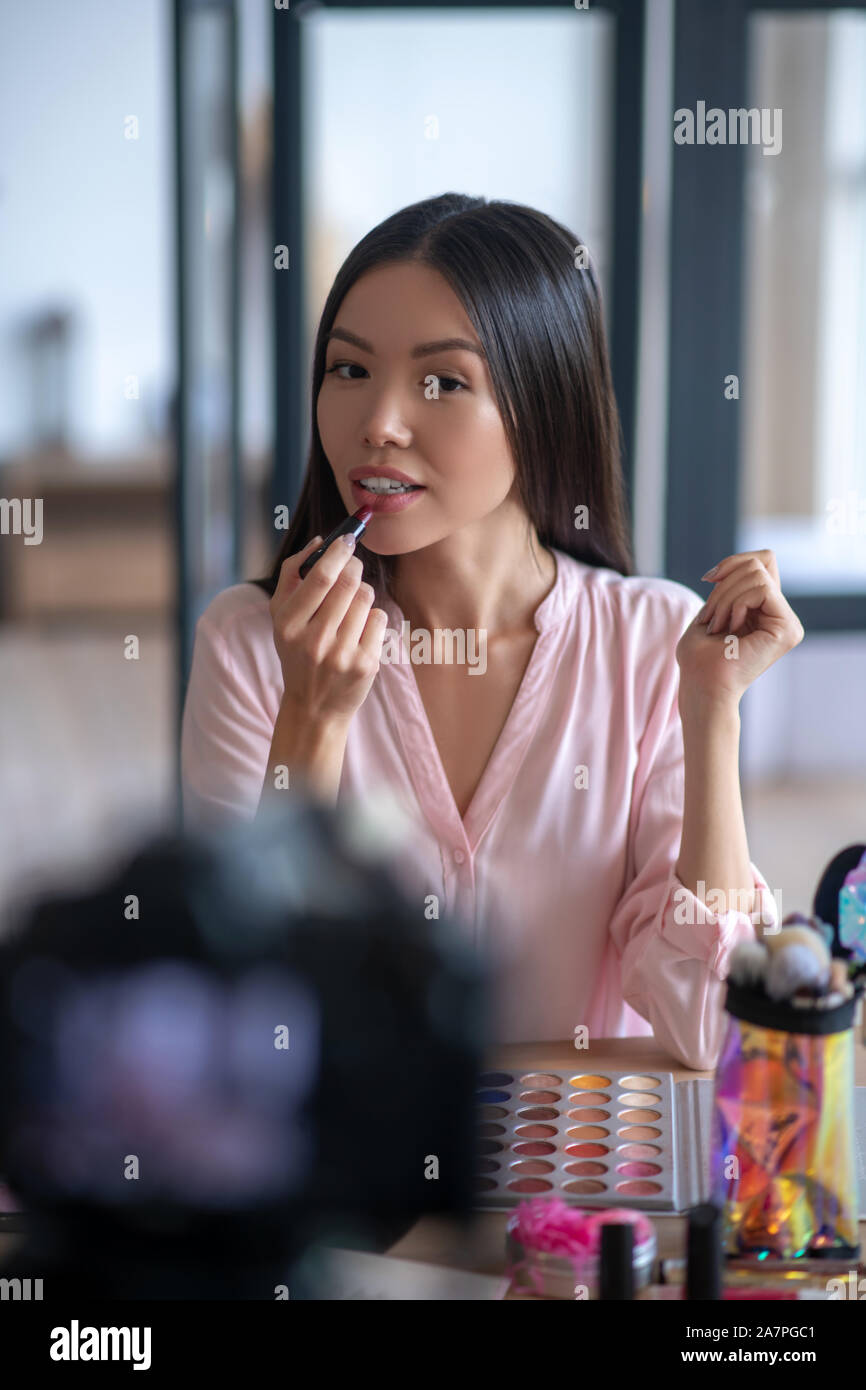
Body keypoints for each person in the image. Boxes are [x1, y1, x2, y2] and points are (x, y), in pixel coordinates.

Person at [181, 193, 804, 1070]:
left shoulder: (656, 642)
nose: (378, 422)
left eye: (442, 381)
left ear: (542, 404)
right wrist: (311, 723)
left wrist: (712, 710)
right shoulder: (250, 646)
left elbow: (709, 1032)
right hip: (363, 1154)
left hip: (582, 1153)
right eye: (349, 369)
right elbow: (248, 1028)